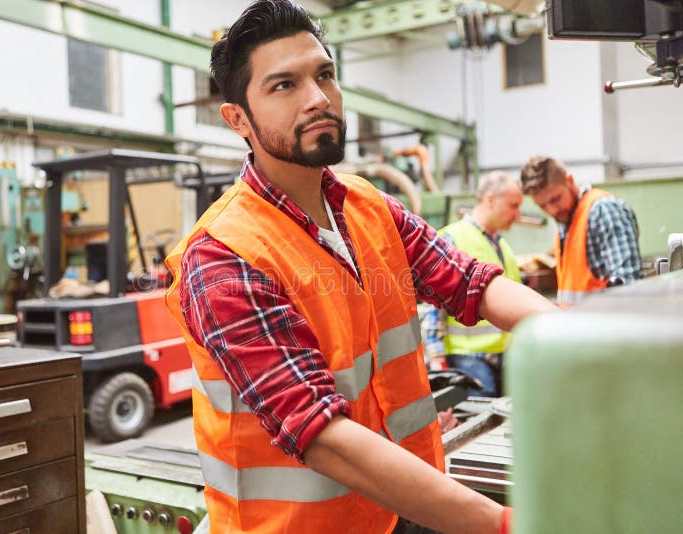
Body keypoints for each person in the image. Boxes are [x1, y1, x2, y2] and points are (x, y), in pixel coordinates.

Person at [165, 2, 554, 532]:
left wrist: (577, 341)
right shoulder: (222, 256)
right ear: (238, 119)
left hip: (401, 510)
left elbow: (470, 284)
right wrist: (504, 523)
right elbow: (320, 433)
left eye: (325, 74)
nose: (319, 99)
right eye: (284, 85)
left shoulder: (368, 206)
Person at [423, 171, 524, 397]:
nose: (517, 215)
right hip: (468, 361)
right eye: (513, 205)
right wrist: (437, 359)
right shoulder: (452, 239)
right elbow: (433, 307)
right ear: (491, 200)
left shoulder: (503, 247)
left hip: (503, 359)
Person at [519, 156, 642, 306]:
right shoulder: (565, 221)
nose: (552, 210)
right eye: (542, 206)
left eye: (556, 199)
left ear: (569, 180)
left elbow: (628, 284)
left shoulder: (604, 210)